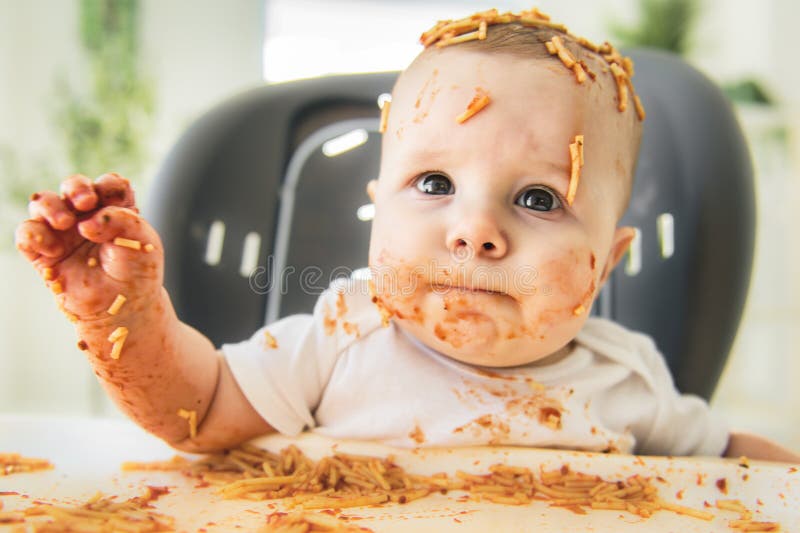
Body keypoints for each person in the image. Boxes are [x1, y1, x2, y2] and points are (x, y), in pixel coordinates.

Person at [15, 8, 799, 462]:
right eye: (433, 185)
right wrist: (123, 316)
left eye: (536, 197)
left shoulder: (628, 381)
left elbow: (732, 464)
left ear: (608, 262)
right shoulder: (340, 341)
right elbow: (201, 410)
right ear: (376, 207)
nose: (474, 231)